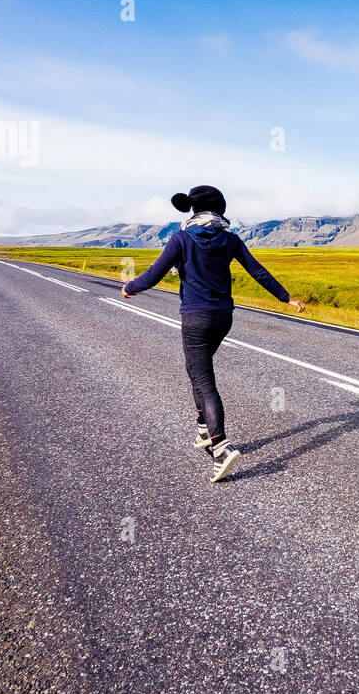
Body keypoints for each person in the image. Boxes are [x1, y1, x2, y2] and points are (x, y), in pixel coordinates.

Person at [121, 185, 305, 482]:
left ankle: (220, 446)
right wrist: (286, 298)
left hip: (195, 318)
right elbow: (258, 271)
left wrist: (130, 287)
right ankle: (203, 427)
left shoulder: (181, 238)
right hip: (223, 317)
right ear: (219, 210)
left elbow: (154, 274)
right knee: (196, 369)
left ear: (193, 210)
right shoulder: (230, 240)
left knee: (203, 379)